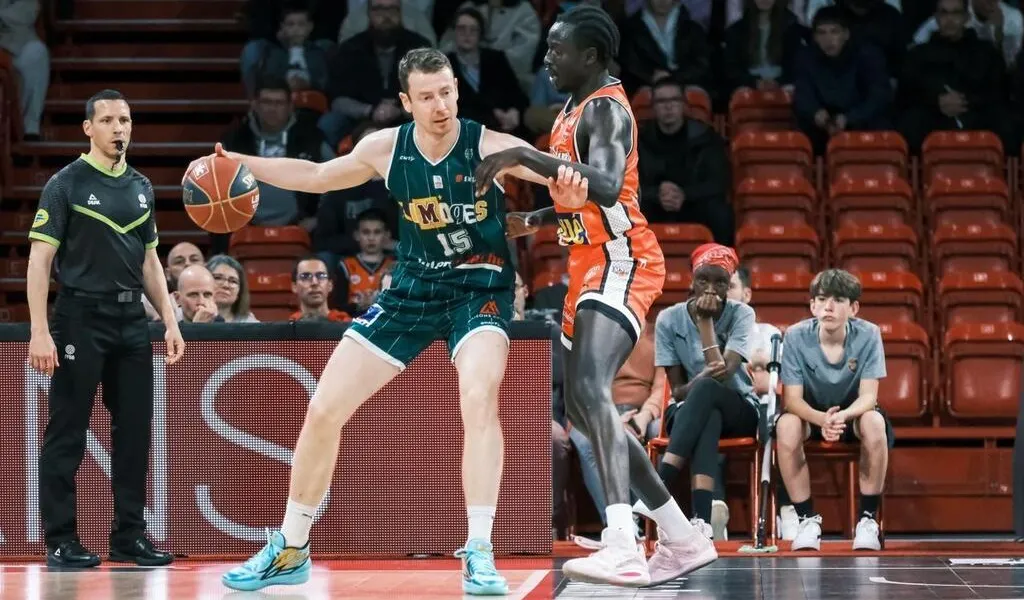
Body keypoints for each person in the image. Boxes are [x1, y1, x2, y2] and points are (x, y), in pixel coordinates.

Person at [187, 47, 577, 595]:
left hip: (479, 288)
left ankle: (480, 550)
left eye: (447, 92)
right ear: (405, 101)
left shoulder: (493, 145)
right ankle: (291, 546)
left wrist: (549, 204)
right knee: (323, 409)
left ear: (456, 91)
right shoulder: (386, 148)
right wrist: (244, 164)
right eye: (427, 96)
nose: (440, 105)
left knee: (478, 398)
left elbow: (570, 188)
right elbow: (317, 176)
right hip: (412, 290)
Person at [474, 5, 717, 587]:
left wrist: (522, 156)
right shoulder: (573, 108)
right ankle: (681, 538)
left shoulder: (606, 107)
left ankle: (621, 540)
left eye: (557, 49)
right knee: (586, 410)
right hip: (589, 260)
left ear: (591, 55)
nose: (547, 57)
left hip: (623, 258)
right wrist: (531, 218)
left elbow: (606, 185)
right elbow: (582, 197)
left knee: (587, 389)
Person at [26, 89, 184, 568]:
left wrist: (170, 321)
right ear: (88, 128)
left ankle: (128, 537)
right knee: (67, 432)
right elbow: (39, 259)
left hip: (131, 322)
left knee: (134, 433)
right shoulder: (66, 184)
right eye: (110, 120)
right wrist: (38, 330)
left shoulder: (141, 186)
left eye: (126, 120)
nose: (120, 129)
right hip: (79, 317)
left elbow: (152, 261)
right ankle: (60, 540)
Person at [643, 244, 760, 542]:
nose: (711, 288)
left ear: (729, 284)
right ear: (692, 280)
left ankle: (658, 486)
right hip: (685, 411)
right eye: (703, 280)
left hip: (740, 408)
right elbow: (679, 391)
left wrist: (705, 323)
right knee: (707, 414)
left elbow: (723, 374)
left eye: (721, 282)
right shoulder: (669, 319)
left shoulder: (742, 314)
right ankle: (701, 521)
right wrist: (703, 382)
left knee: (709, 388)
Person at [777, 268, 891, 551]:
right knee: (786, 425)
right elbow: (791, 399)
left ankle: (867, 521)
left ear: (853, 308)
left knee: (875, 422)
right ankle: (806, 520)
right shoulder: (794, 336)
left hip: (852, 415)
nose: (829, 306)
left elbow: (869, 397)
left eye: (838, 300)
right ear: (813, 305)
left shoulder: (869, 334)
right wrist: (821, 420)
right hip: (811, 415)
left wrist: (842, 416)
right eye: (822, 299)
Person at [206, 255, 260, 323]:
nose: (226, 285)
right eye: (218, 278)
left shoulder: (250, 323)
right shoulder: (192, 318)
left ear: (239, 292)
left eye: (233, 281)